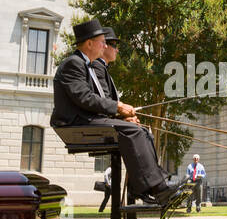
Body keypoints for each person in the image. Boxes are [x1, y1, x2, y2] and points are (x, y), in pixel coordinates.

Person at [50, 18, 178, 204]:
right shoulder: (73, 63)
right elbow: (85, 98)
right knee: (132, 131)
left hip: (84, 119)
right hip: (73, 123)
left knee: (139, 130)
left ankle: (144, 188)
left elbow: (93, 101)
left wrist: (121, 116)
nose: (105, 45)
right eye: (102, 41)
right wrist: (118, 107)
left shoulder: (84, 65)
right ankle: (158, 189)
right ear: (89, 43)